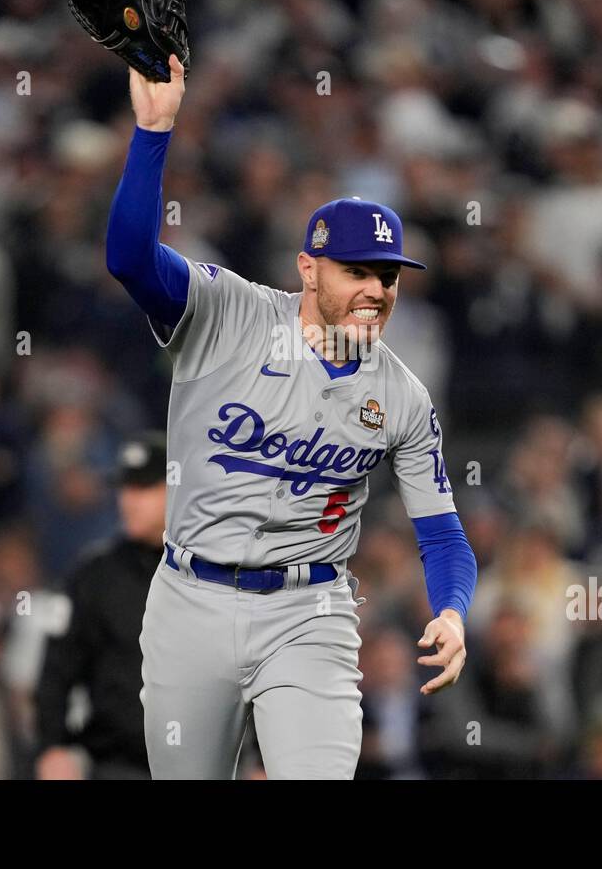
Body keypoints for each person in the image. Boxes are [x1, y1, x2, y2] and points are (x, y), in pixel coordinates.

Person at [104, 55, 477, 779]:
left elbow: (441, 532)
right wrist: (153, 131)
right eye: (357, 271)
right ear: (308, 268)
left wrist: (454, 610)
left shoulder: (402, 394)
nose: (377, 289)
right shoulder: (229, 312)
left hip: (310, 612)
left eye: (388, 275)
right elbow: (129, 259)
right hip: (191, 600)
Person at [35, 433, 168, 780]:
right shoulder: (95, 575)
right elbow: (56, 670)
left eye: (144, 488)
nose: (128, 501)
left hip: (208, 763)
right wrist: (52, 746)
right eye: (125, 489)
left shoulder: (214, 571)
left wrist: (260, 757)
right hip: (119, 763)